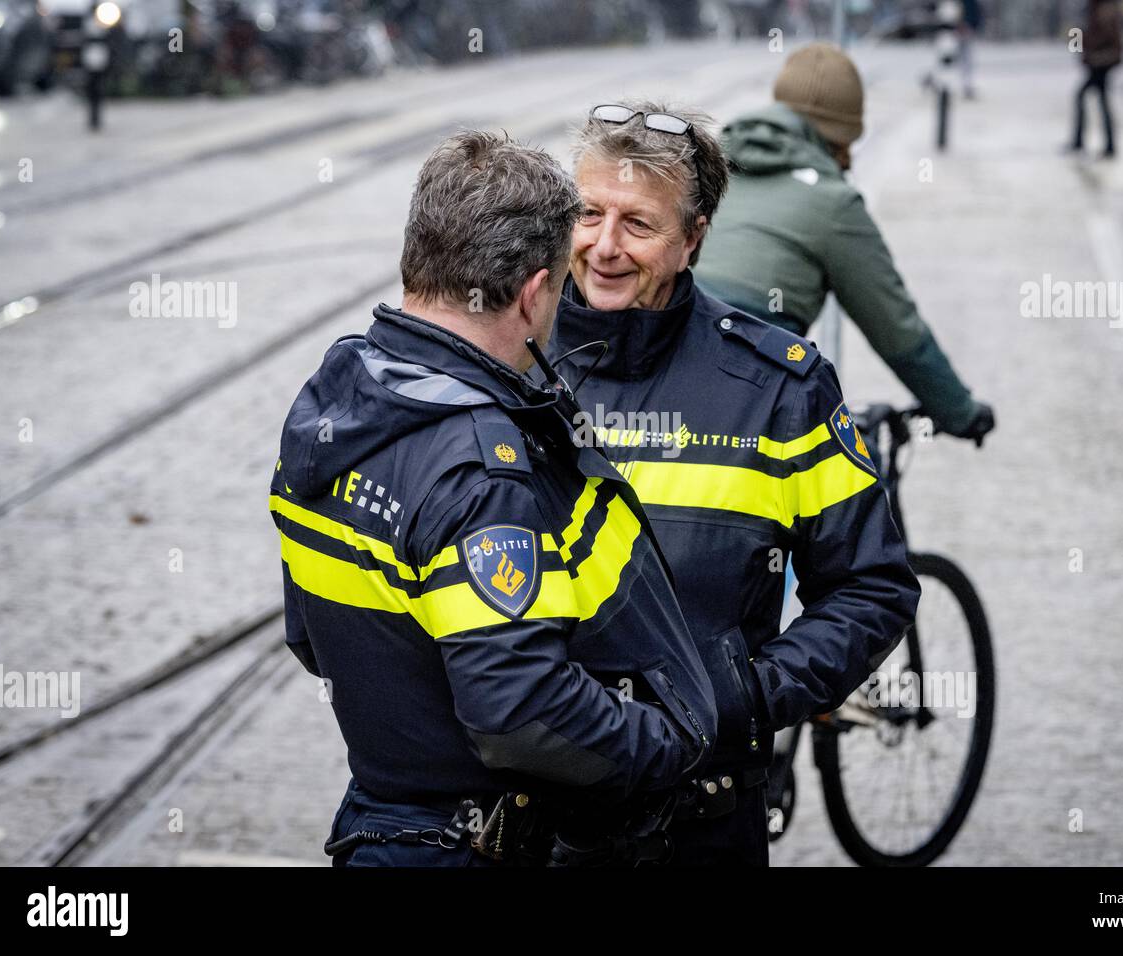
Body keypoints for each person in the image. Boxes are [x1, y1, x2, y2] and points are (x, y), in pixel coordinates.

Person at [269, 131, 717, 867]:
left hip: (374, 822)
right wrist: (665, 745)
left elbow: (310, 639)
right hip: (468, 845)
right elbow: (520, 711)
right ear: (536, 291)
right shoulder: (482, 469)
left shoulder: (332, 404)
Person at [547, 100, 922, 865]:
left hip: (700, 821)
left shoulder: (778, 388)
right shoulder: (506, 359)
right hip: (528, 826)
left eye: (639, 226)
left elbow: (873, 587)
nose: (604, 247)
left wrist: (745, 698)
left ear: (693, 241)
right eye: (588, 215)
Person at [695, 43, 995, 441]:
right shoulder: (834, 204)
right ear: (836, 140)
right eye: (846, 146)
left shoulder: (705, 168)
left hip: (661, 379)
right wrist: (961, 413)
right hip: (749, 394)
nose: (849, 162)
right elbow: (898, 331)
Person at [1070, 0, 1123, 159]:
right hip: (1097, 62)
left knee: (1085, 97)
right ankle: (1106, 145)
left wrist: (1082, 48)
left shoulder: (1105, 10)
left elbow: (1109, 38)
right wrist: (1078, 47)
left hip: (1101, 63)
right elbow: (1079, 34)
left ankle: (1083, 142)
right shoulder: (1093, 9)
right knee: (1099, 101)